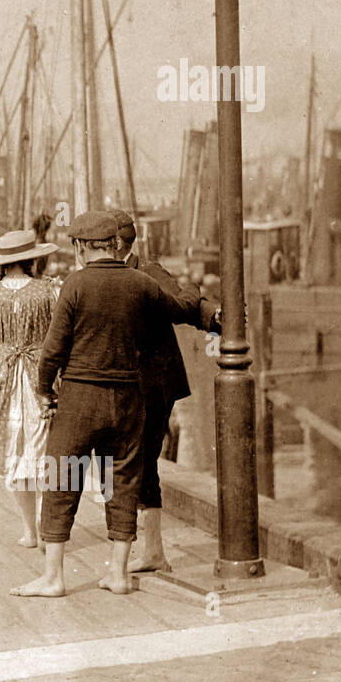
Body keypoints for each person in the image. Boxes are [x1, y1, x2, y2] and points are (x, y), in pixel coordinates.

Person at [13, 210, 200, 599]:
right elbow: (181, 309)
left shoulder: (75, 285)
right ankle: (117, 573)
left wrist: (45, 392)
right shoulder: (142, 284)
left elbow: (52, 350)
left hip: (80, 397)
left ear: (81, 246)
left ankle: (53, 577)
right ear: (114, 244)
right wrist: (201, 300)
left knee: (63, 478)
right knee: (124, 481)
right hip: (129, 398)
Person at [111, 209, 220, 573]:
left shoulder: (147, 271)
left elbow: (181, 302)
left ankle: (149, 551)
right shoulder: (106, 274)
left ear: (113, 244)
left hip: (151, 383)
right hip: (127, 383)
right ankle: (147, 550)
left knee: (139, 464)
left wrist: (211, 317)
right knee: (135, 464)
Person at [0, 230, 60, 548]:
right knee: (45, 450)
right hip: (42, 378)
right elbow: (61, 342)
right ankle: (49, 527)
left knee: (14, 453)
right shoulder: (49, 292)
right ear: (32, 260)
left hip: (1, 379)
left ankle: (29, 530)